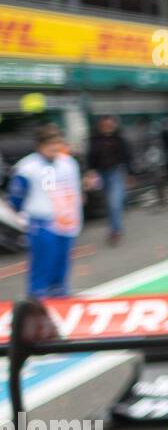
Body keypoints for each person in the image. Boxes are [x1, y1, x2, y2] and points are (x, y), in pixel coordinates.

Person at [8, 124, 82, 298]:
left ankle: (60, 296)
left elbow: (75, 190)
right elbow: (16, 197)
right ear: (40, 145)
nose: (55, 147)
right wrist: (25, 218)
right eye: (50, 143)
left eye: (57, 142)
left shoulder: (68, 163)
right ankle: (36, 299)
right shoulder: (27, 167)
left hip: (66, 222)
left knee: (61, 263)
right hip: (41, 223)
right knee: (42, 264)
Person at [86, 114, 133, 245]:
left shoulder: (119, 139)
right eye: (105, 125)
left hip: (117, 172)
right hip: (102, 173)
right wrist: (90, 173)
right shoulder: (95, 140)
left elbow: (127, 156)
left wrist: (130, 174)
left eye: (110, 125)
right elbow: (91, 157)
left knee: (114, 203)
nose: (107, 127)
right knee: (110, 203)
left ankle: (115, 231)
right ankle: (115, 227)